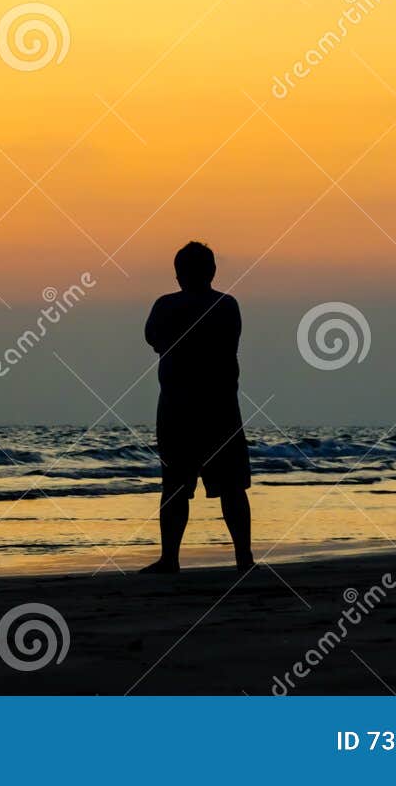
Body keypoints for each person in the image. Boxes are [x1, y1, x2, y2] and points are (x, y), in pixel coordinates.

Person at [141, 241, 253, 573]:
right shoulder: (226, 305)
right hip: (219, 408)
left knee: (175, 486)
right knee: (231, 487)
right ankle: (243, 559)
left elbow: (154, 340)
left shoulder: (166, 306)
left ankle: (170, 558)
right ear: (212, 271)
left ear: (178, 274)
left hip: (179, 408)